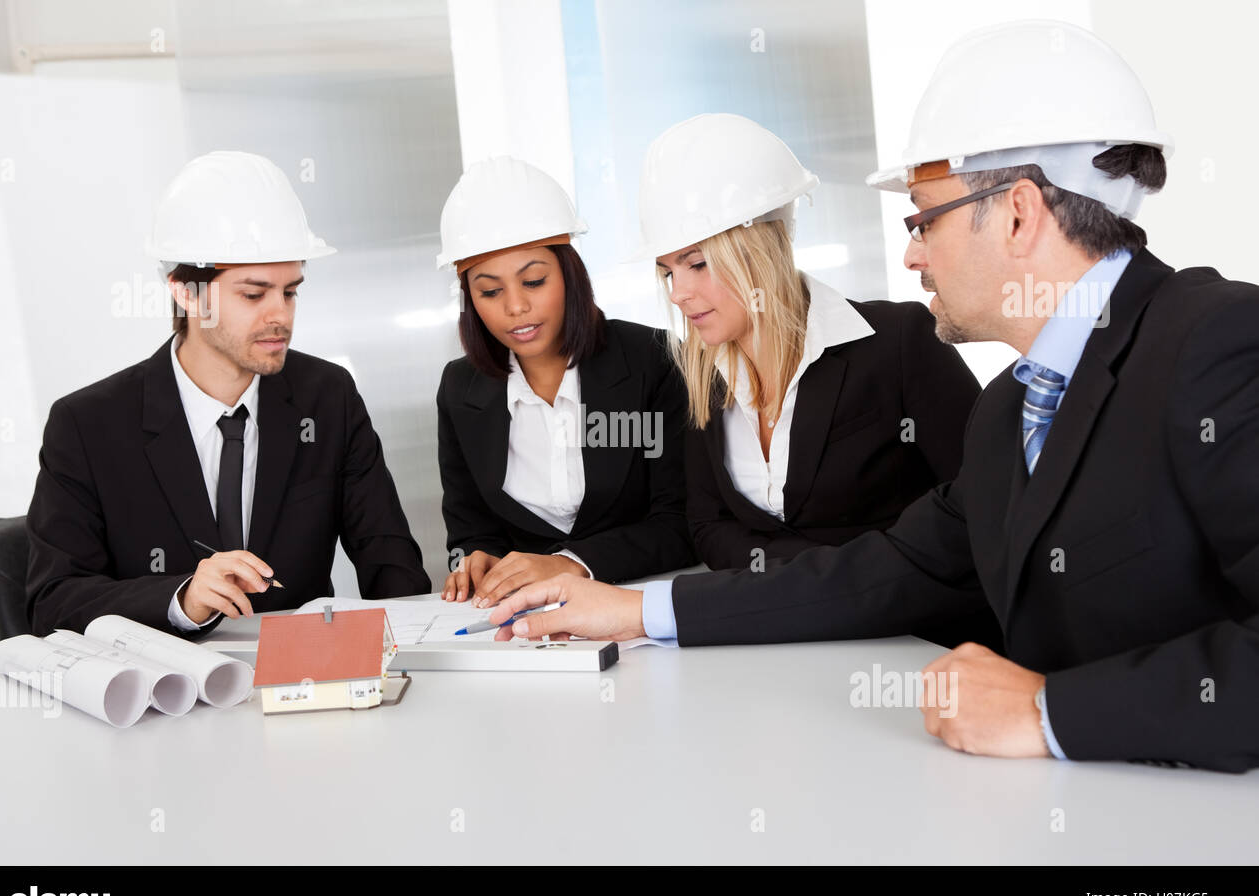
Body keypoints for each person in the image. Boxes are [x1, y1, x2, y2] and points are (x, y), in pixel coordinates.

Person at [487, 21, 1259, 773]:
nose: (911, 252)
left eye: (924, 219)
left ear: (1019, 214)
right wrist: (634, 612)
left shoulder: (1220, 344)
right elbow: (876, 573)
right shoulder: (1009, 416)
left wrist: (1048, 712)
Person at [26, 151, 430, 637]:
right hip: (164, 696)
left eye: (291, 291)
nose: (280, 316)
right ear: (185, 292)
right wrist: (182, 598)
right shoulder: (88, 425)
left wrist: (414, 643)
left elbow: (389, 558)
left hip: (304, 685)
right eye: (253, 295)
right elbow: (54, 601)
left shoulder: (328, 396)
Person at [637, 113, 981, 573]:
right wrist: (797, 591)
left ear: (761, 251)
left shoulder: (898, 341)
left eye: (696, 264)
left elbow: (980, 510)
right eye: (667, 272)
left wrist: (816, 585)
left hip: (914, 635)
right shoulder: (702, 374)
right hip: (777, 635)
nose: (678, 293)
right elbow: (708, 526)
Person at [436, 156, 694, 608]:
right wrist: (479, 556)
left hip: (645, 605)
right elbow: (471, 524)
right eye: (490, 291)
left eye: (533, 281)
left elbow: (681, 520)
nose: (515, 307)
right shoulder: (460, 388)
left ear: (570, 276)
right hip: (524, 616)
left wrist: (574, 562)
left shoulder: (652, 359)